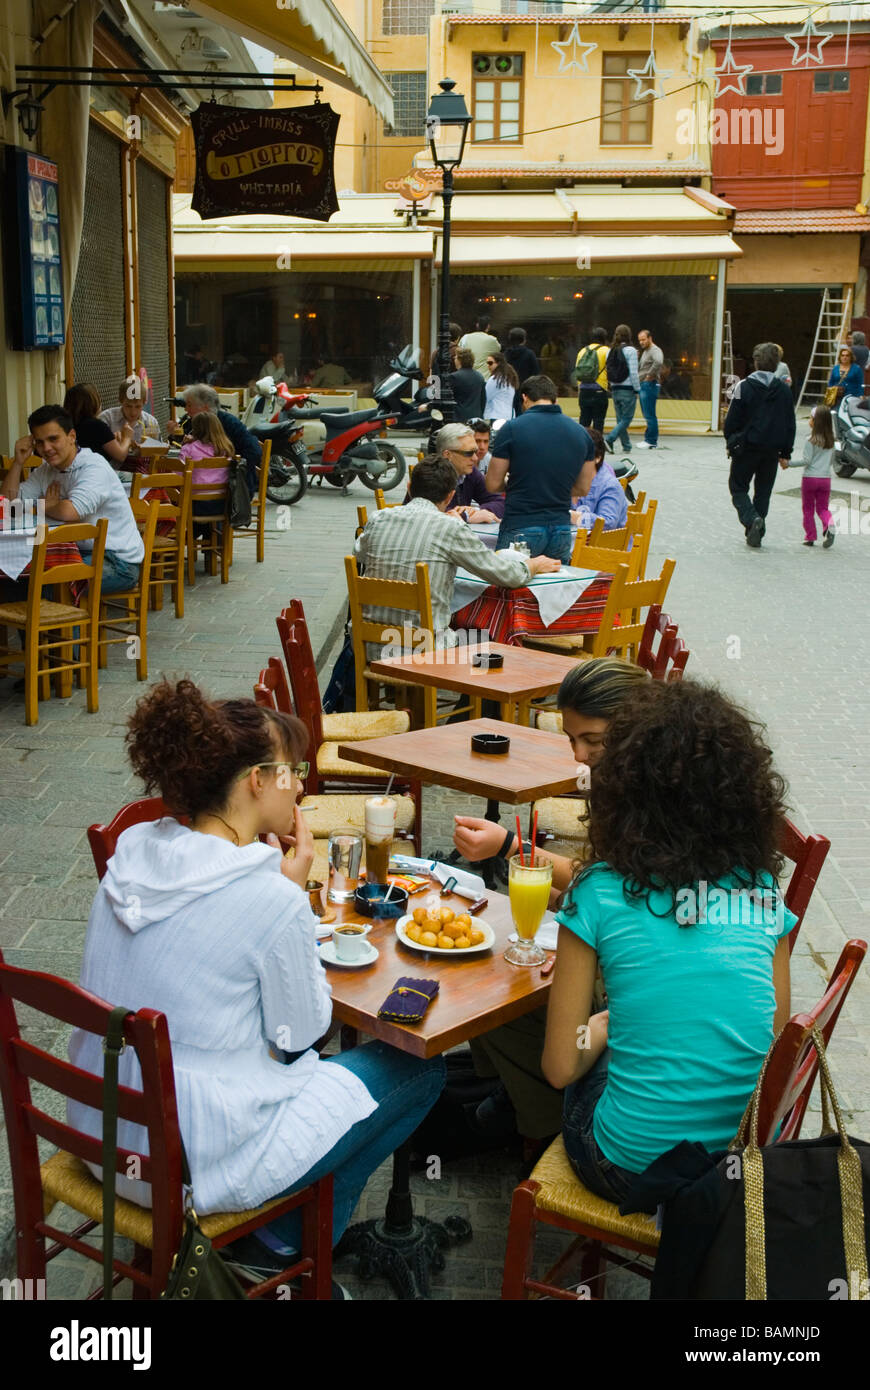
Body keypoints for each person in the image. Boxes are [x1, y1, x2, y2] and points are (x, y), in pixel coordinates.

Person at [65, 679, 444, 1282]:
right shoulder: (268, 895)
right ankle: (282, 1243)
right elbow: (302, 1034)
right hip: (194, 1159)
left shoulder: (131, 856)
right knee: (420, 1068)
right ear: (255, 781)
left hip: (99, 1130)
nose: (301, 785)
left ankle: (281, 1232)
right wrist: (288, 897)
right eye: (292, 771)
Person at [542, 678, 793, 1205]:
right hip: (737, 1164)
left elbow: (562, 1064)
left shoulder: (598, 891)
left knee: (587, 1066)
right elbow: (768, 1043)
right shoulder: (765, 890)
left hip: (628, 1168)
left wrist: (608, 1025)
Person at [452, 659, 650, 1145]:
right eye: (571, 739)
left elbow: (610, 888)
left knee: (493, 986)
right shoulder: (754, 891)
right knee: (498, 959)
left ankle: (544, 1133)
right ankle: (513, 1094)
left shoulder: (650, 804)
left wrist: (513, 851)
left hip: (633, 996)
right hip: (635, 966)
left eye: (594, 741)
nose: (580, 756)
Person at [356, 455, 559, 654]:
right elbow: (508, 576)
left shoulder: (379, 518)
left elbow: (359, 554)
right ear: (450, 496)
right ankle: (468, 686)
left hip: (368, 644)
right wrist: (533, 565)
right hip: (422, 650)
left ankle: (397, 688)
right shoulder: (450, 527)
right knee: (490, 641)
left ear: (409, 487)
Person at [2, 404, 144, 593]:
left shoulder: (94, 467)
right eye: (39, 442)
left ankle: (69, 621)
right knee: (11, 579)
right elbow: (9, 508)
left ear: (72, 436)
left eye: (53, 439)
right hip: (70, 551)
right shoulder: (46, 470)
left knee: (41, 586)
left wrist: (44, 507)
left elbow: (72, 511)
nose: (46, 448)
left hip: (117, 561)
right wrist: (18, 463)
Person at [486, 374, 595, 561]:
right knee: (553, 587)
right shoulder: (581, 434)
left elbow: (493, 484)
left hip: (521, 524)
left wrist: (519, 483)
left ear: (524, 398)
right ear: (555, 398)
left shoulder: (511, 429)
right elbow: (583, 488)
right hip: (561, 529)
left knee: (507, 587)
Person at [724, 341, 796, 548]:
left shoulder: (742, 387)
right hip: (772, 450)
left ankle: (750, 519)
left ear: (755, 362)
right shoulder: (783, 390)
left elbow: (732, 421)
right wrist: (786, 452)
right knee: (763, 491)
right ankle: (757, 528)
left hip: (746, 447)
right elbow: (790, 423)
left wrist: (730, 440)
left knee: (738, 487)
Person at [183, 383, 262, 493]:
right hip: (203, 489)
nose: (186, 409)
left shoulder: (230, 423)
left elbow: (254, 451)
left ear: (205, 407)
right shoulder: (191, 422)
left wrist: (227, 466)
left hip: (231, 492)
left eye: (189, 405)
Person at [779, 403, 836, 548]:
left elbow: (806, 460)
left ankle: (810, 536)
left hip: (810, 478)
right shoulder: (832, 441)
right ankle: (830, 524)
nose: (809, 421)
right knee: (823, 508)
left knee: (808, 509)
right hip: (825, 479)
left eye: (811, 418)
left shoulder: (810, 440)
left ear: (816, 422)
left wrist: (788, 463)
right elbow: (832, 461)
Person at [436, 422, 504, 522]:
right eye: (468, 453)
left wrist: (476, 511)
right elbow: (433, 514)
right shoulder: (430, 475)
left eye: (475, 452)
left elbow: (500, 502)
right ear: (447, 454)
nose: (475, 458)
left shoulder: (470, 473)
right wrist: (467, 516)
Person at [180, 411, 235, 535]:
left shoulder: (188, 449)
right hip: (221, 505)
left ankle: (183, 540)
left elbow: (178, 477)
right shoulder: (226, 449)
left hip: (196, 506)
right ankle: (211, 543)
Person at [64, 384, 135, 470]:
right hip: (94, 474)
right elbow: (120, 456)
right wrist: (127, 437)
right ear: (93, 403)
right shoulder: (97, 426)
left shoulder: (66, 426)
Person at [571, 428, 628, 532]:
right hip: (571, 541)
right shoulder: (566, 478)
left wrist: (576, 517)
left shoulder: (609, 485)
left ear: (597, 458)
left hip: (601, 545)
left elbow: (608, 522)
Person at [99, 379, 160, 462]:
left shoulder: (151, 422)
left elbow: (159, 454)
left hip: (143, 470)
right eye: (128, 406)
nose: (133, 412)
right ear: (120, 400)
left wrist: (143, 450)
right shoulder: (106, 419)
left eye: (138, 406)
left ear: (144, 402)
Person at [603, 325, 640, 455]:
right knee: (627, 419)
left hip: (615, 388)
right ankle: (609, 439)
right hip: (628, 388)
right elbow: (634, 373)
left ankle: (626, 446)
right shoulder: (631, 351)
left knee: (620, 419)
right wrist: (637, 389)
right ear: (629, 335)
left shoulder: (610, 351)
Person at [574, 327, 609, 434]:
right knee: (598, 420)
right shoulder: (606, 350)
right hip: (600, 389)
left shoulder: (582, 351)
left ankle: (582, 444)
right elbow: (611, 369)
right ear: (604, 338)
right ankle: (597, 446)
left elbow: (578, 371)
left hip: (584, 389)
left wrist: (580, 389)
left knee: (584, 420)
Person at [636, 328, 664, 450]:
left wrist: (649, 375)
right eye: (640, 340)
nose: (641, 342)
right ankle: (648, 439)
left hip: (649, 385)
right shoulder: (646, 351)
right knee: (647, 413)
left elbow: (658, 361)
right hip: (644, 385)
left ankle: (651, 440)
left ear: (650, 338)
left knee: (649, 414)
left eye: (643, 339)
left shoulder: (655, 350)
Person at [446, 348, 486, 423]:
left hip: (459, 418)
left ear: (460, 360)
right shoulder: (479, 376)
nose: (454, 360)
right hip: (476, 418)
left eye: (455, 358)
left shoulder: (454, 377)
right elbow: (483, 399)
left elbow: (447, 398)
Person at [504, 328, 539, 413]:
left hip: (508, 389)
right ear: (524, 340)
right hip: (525, 390)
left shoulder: (506, 354)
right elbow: (536, 372)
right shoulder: (529, 354)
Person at [483, 352, 519, 422]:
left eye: (490, 363)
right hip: (510, 416)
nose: (488, 366)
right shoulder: (509, 378)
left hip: (497, 416)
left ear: (499, 363)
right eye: (487, 363)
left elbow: (485, 397)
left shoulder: (494, 379)